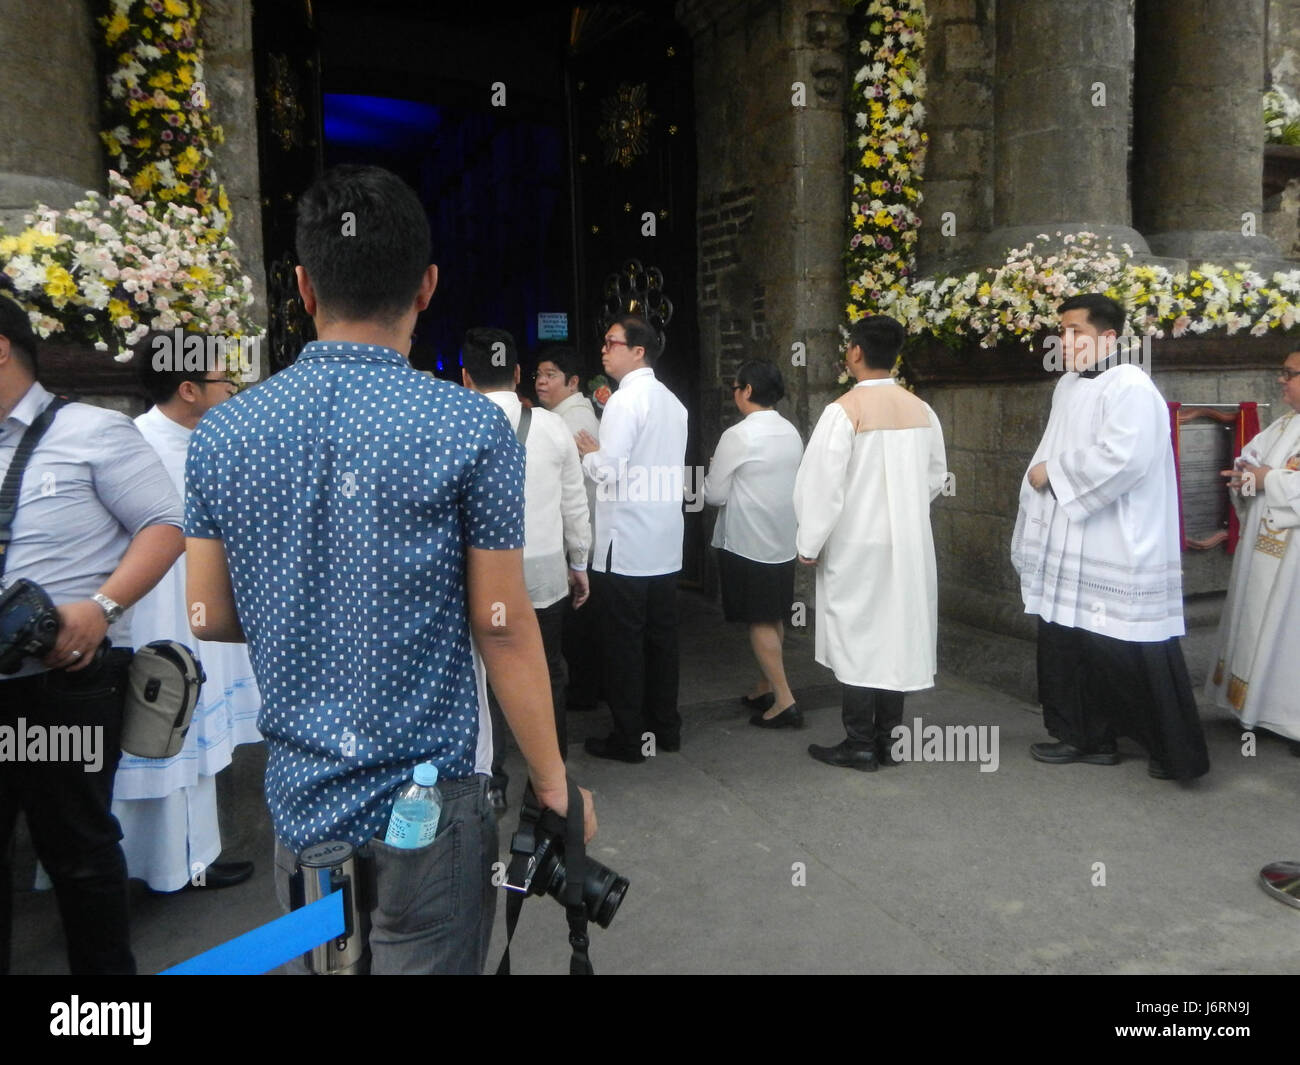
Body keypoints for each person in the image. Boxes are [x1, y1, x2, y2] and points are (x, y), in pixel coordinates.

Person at [184, 164, 595, 975]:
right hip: (431, 803)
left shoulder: (223, 434)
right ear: (427, 285)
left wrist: (312, 603)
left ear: (302, 285)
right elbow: (501, 626)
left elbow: (212, 613)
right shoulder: (468, 427)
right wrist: (555, 784)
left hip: (305, 797)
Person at [0, 295, 183, 974]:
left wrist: (101, 606)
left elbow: (165, 526)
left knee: (78, 854)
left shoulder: (92, 431)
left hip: (62, 684)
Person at [1011, 293, 1209, 781]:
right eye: (1062, 331)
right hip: (1072, 536)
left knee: (1128, 647)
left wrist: (1054, 476)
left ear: (1109, 337)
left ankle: (1173, 751)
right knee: (1071, 640)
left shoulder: (1132, 387)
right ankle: (1087, 737)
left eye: (1076, 331)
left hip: (1116, 540)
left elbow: (1126, 458)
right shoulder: (1069, 386)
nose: (1066, 340)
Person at [109, 337, 261, 893]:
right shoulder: (131, 447)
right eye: (226, 383)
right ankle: (138, 870)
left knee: (194, 735)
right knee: (158, 733)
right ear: (189, 389)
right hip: (155, 617)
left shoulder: (214, 440)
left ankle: (195, 856)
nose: (234, 392)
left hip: (199, 612)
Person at [793, 315, 947, 771]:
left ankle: (859, 743)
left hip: (857, 545)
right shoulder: (922, 410)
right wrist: (903, 508)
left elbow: (822, 486)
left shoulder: (843, 411)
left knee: (860, 638)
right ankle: (889, 741)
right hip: (909, 543)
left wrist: (809, 541)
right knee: (895, 636)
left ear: (856, 352)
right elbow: (936, 477)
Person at [462, 327, 591, 811]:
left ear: (466, 377)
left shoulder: (456, 424)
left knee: (481, 677)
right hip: (542, 572)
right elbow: (574, 504)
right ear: (518, 373)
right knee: (548, 672)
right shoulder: (554, 428)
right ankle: (548, 780)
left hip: (479, 575)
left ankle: (490, 781)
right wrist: (579, 561)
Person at [575, 315, 688, 763]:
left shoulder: (626, 401)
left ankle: (629, 737)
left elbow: (609, 470)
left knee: (624, 644)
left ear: (638, 351)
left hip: (626, 544)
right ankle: (666, 726)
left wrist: (589, 455)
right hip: (662, 538)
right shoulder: (672, 402)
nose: (604, 350)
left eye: (611, 342)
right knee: (662, 640)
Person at [702, 358, 804, 727]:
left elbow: (713, 495)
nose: (735, 395)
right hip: (781, 538)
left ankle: (784, 699)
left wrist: (715, 469)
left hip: (746, 540)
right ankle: (765, 684)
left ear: (747, 391)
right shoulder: (791, 432)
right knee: (773, 614)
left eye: (735, 388)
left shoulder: (738, 435)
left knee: (758, 621)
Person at [1205, 350, 1300, 744]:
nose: (1281, 380)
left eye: (1289, 373)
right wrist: (1244, 479)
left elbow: (1268, 477)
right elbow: (1251, 465)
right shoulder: (1283, 425)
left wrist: (1267, 480)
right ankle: (1259, 709)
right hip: (1266, 542)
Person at [534, 345, 603, 714]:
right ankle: (587, 688)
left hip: (577, 536)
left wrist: (574, 550)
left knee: (577, 627)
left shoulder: (569, 421)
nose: (542, 382)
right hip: (580, 535)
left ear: (573, 381)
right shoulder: (566, 415)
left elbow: (573, 495)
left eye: (550, 375)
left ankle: (584, 691)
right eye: (539, 375)